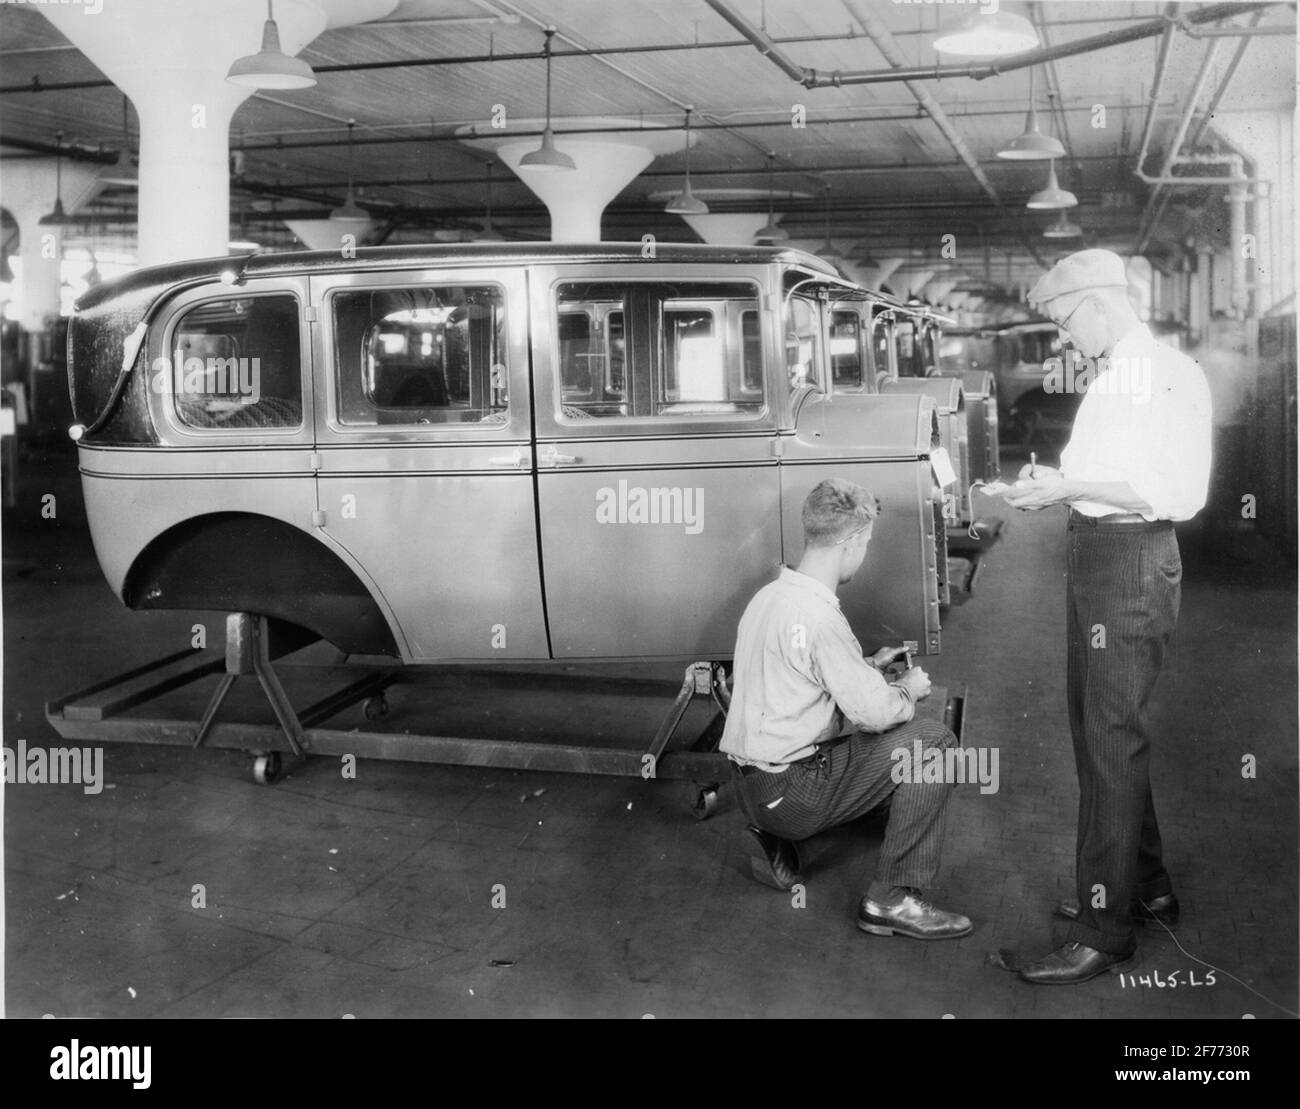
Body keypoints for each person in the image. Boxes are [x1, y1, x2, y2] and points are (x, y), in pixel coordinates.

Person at [1002, 249, 1212, 984]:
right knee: (1101, 731)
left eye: (1062, 320)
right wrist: (1060, 486)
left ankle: (1103, 928)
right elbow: (1111, 476)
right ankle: (1141, 886)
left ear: (1095, 303)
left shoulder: (1167, 375)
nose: (1063, 336)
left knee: (1109, 738)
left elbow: (1176, 489)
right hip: (1097, 554)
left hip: (1130, 561)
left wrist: (1070, 485)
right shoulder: (1117, 380)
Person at [720, 477, 971, 940]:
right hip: (792, 793)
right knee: (934, 744)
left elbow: (792, 680)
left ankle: (781, 842)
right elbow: (876, 715)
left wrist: (864, 667)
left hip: (751, 787)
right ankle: (891, 899)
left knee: (878, 746)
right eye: (867, 543)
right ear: (852, 540)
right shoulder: (820, 617)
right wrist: (909, 689)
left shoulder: (770, 596)